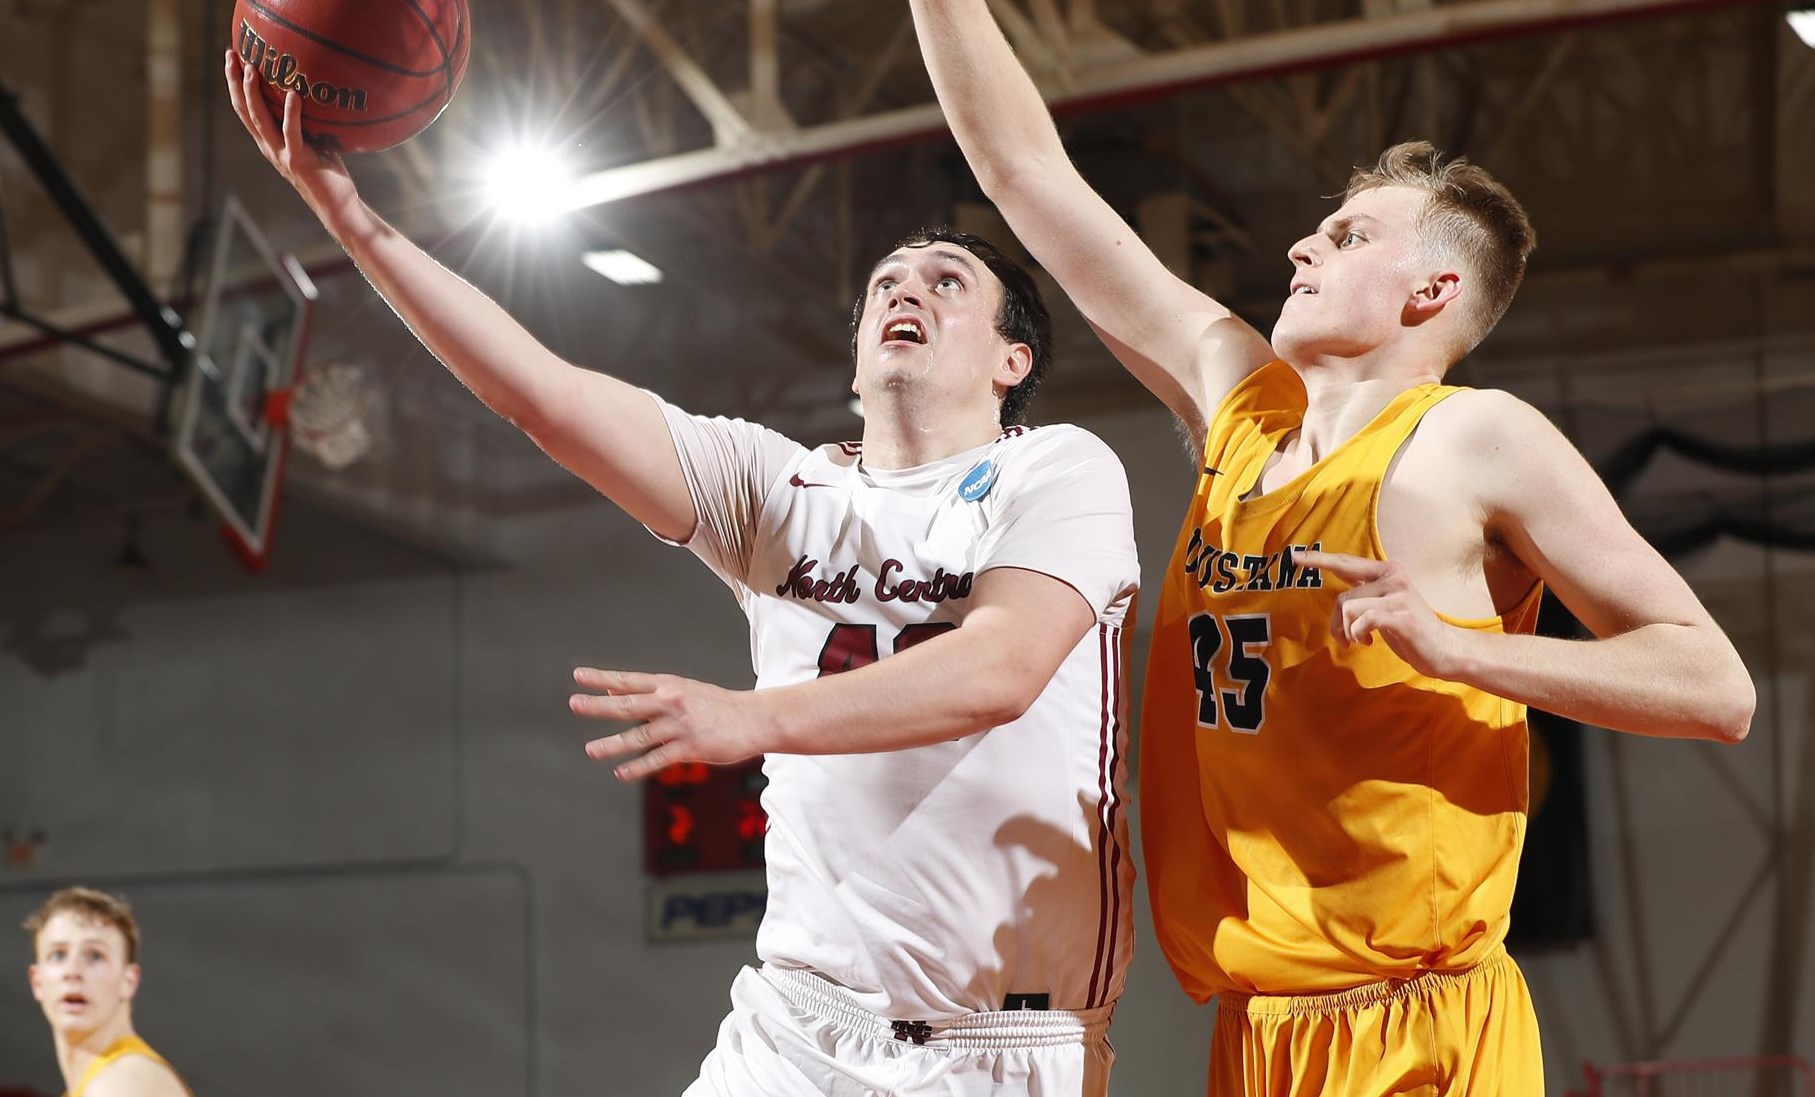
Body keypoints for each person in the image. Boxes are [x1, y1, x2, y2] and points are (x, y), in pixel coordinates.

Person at [224, 49, 1139, 1097]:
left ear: (1010, 361)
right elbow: (545, 397)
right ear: (852, 365)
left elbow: (1002, 668)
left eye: (946, 281)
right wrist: (350, 219)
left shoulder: (1058, 467)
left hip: (999, 1045)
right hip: (798, 1023)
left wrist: (756, 719)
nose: (906, 289)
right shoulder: (771, 486)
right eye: (886, 280)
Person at [907, 3, 1756, 1094]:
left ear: (1432, 292)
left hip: (1423, 1027)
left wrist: (1463, 649)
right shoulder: (1241, 403)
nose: (1307, 242)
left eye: (1352, 236)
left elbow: (1713, 682)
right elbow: (1026, 172)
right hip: (1259, 1024)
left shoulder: (1475, 437)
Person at [24, 888, 190, 1097]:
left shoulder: (120, 1084)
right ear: (37, 981)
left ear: (128, 981)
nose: (73, 971)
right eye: (58, 955)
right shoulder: (101, 1082)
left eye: (95, 956)